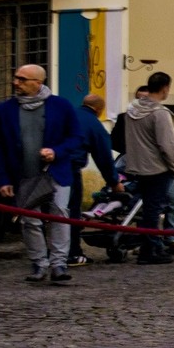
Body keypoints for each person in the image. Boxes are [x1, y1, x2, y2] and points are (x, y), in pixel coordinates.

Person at [0, 64, 81, 284]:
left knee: (60, 214)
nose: (16, 83)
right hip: (23, 175)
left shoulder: (61, 106)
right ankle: (39, 263)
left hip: (56, 172)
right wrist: (3, 178)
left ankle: (59, 263)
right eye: (16, 78)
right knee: (30, 220)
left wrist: (56, 151)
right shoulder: (5, 109)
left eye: (22, 79)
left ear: (38, 83)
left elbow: (76, 137)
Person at [120, 71, 174, 266]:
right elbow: (168, 144)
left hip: (137, 165)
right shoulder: (160, 113)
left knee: (146, 208)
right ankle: (149, 250)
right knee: (153, 209)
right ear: (165, 88)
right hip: (157, 168)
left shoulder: (132, 109)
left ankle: (149, 246)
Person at [66, 93, 118, 267]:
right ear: (99, 110)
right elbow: (104, 158)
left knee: (51, 211)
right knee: (72, 211)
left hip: (49, 167)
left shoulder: (69, 114)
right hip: (71, 169)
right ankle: (72, 253)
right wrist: (114, 182)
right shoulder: (94, 125)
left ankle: (50, 251)